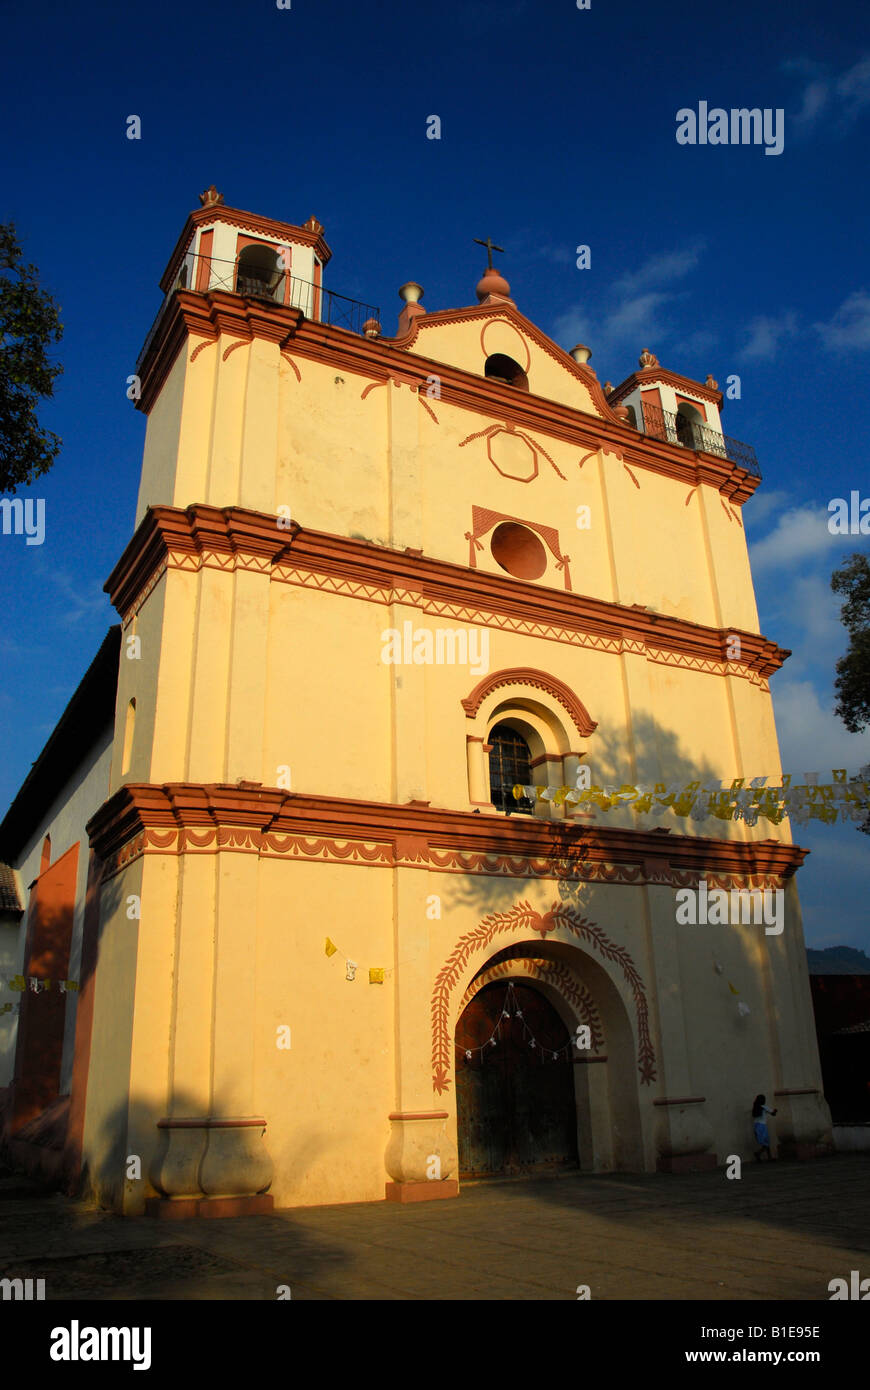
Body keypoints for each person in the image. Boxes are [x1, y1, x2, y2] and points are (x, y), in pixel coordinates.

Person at [752, 1093, 777, 1161]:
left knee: (765, 1142)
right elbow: (773, 1114)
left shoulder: (755, 1107)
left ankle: (769, 1157)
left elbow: (754, 1116)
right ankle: (758, 1153)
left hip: (756, 1126)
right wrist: (775, 1111)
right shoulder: (764, 1107)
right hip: (762, 1126)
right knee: (767, 1143)